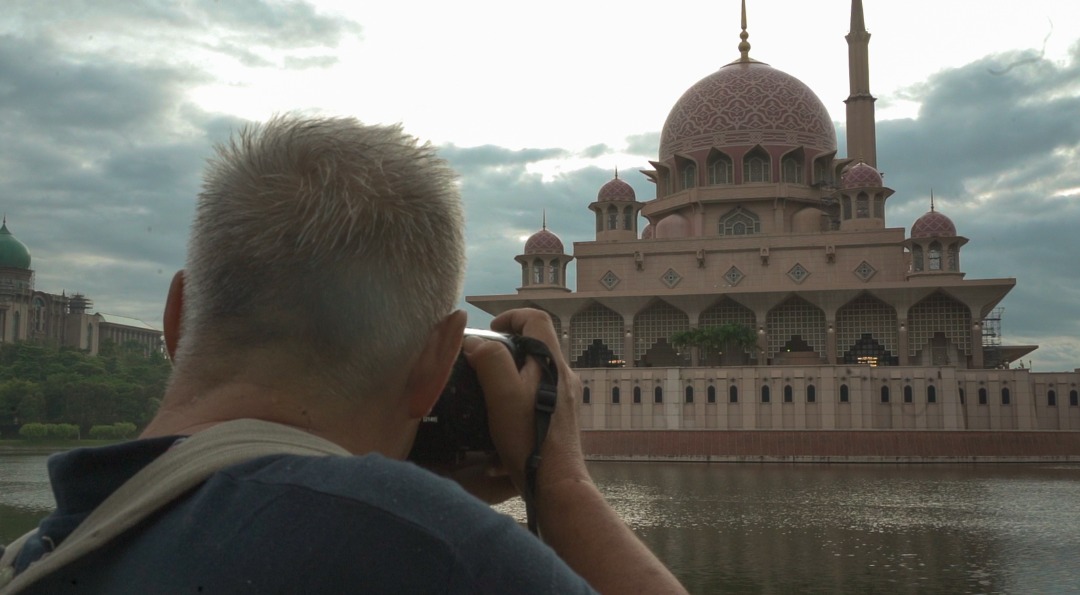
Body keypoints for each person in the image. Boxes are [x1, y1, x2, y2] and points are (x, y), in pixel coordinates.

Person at [3, 116, 686, 593]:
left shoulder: (45, 546)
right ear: (435, 362)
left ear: (177, 318)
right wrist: (561, 487)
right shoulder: (422, 540)